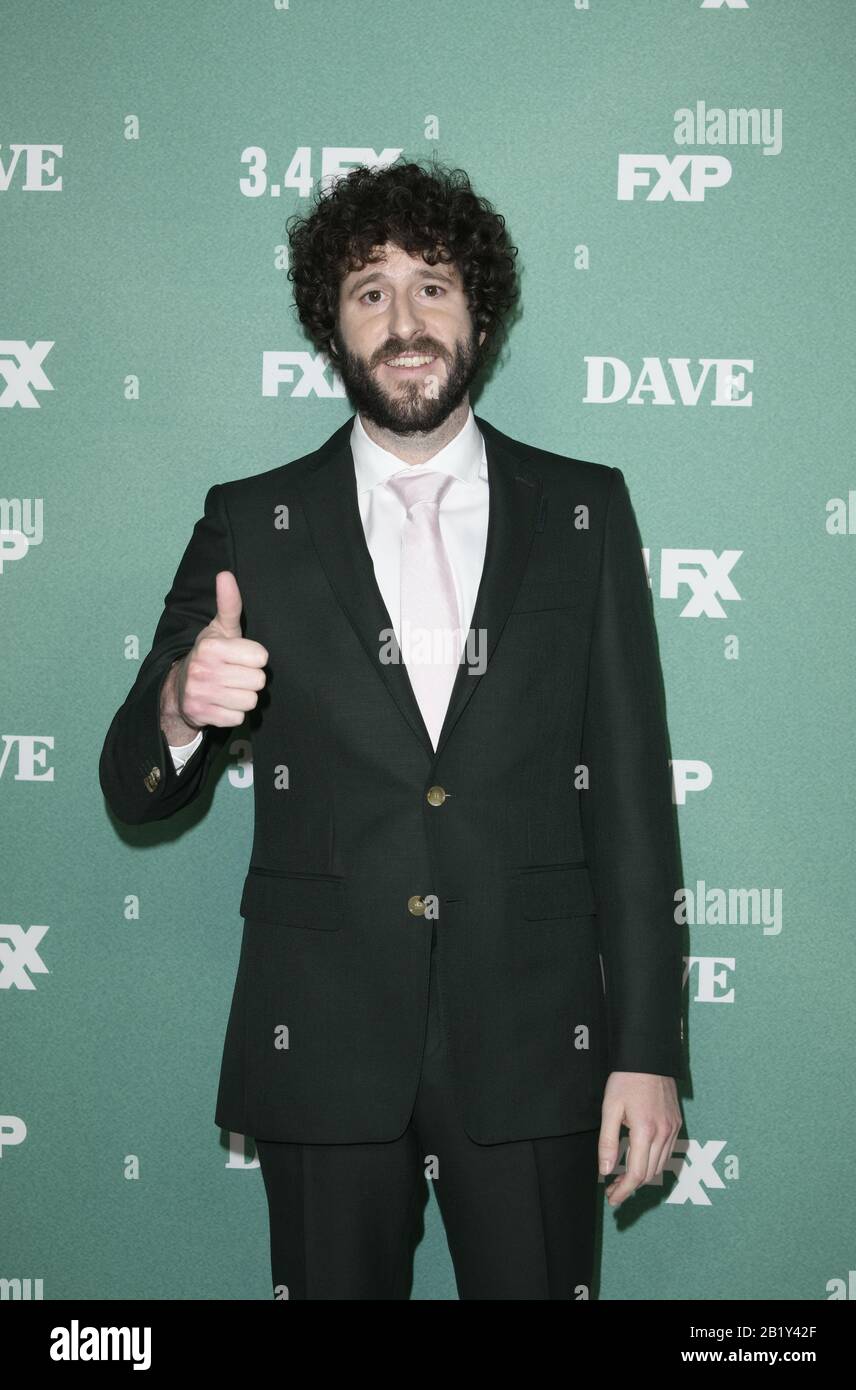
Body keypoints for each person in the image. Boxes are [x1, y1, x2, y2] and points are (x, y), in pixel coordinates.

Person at [99, 157, 686, 1300]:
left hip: (534, 1043)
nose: (405, 319)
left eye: (434, 284)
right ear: (332, 326)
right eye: (370, 290)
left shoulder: (582, 510)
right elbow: (132, 783)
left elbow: (628, 796)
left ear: (481, 312)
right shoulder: (251, 523)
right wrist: (180, 701)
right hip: (319, 1041)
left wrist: (646, 1049)